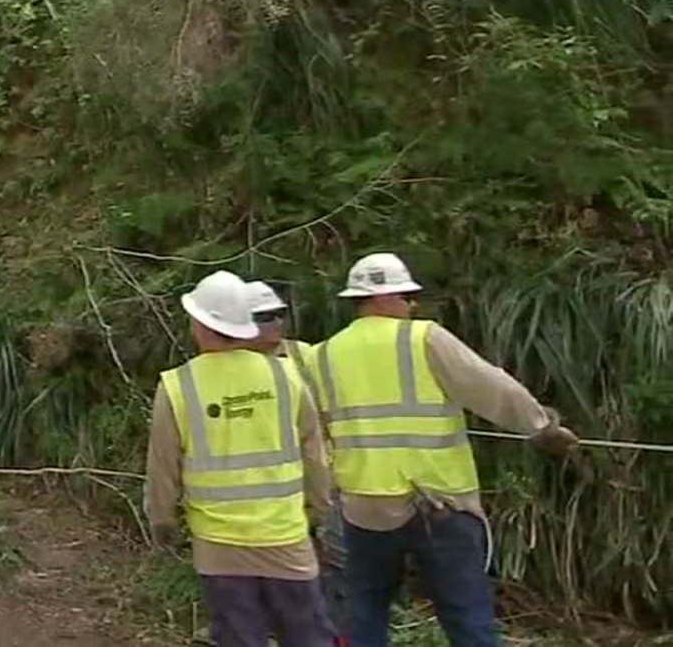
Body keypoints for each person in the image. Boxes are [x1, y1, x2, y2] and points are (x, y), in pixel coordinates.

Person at [313, 253, 578, 647]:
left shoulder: (323, 354)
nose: (411, 304)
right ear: (386, 298)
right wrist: (541, 426)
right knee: (466, 613)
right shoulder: (424, 338)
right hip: (438, 500)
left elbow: (315, 432)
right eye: (405, 296)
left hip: (365, 505)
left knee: (365, 611)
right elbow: (491, 387)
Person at [144, 270, 337, 647]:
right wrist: (320, 509)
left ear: (200, 324)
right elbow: (314, 453)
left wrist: (161, 521)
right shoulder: (285, 376)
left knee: (239, 636)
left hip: (219, 544)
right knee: (308, 633)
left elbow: (162, 468)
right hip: (285, 535)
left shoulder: (177, 386)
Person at [246, 278, 351, 646]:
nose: (274, 325)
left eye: (278, 315)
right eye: (263, 318)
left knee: (336, 571)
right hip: (267, 495)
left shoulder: (306, 357)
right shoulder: (231, 368)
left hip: (322, 483)